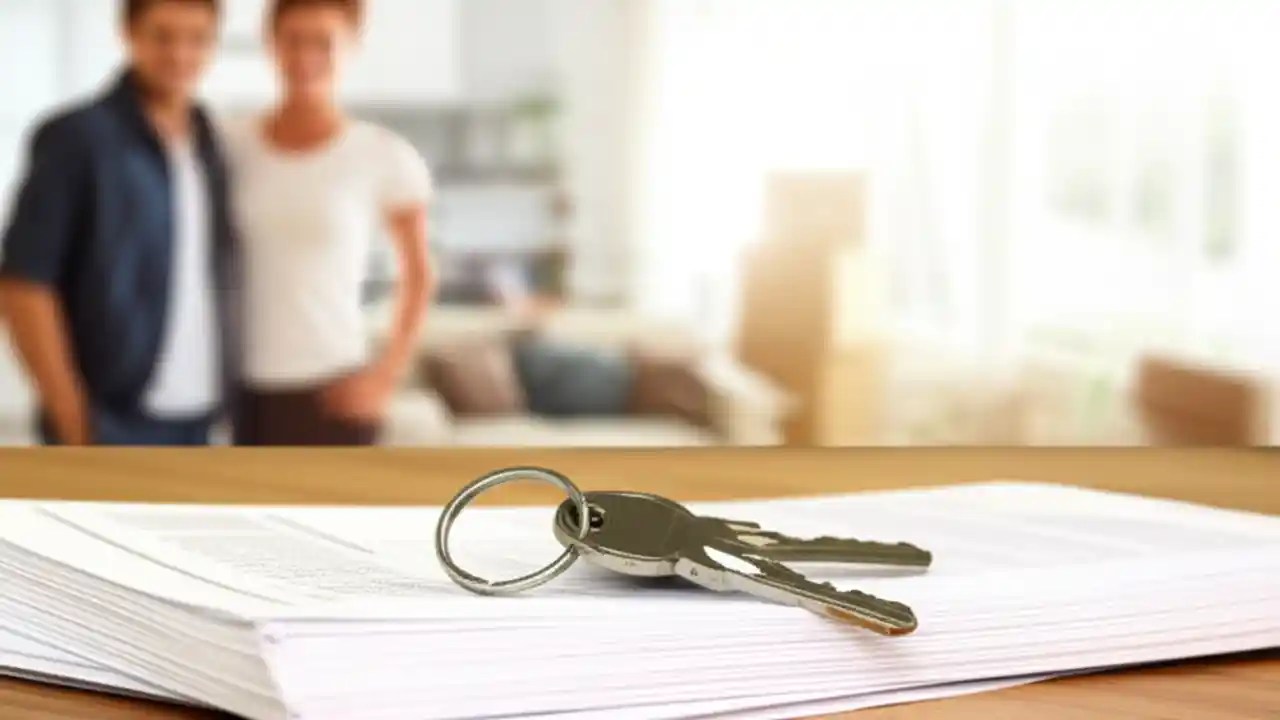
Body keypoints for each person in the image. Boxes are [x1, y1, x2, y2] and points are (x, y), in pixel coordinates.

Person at [0, 0, 231, 446]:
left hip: (200, 418)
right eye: (162, 36)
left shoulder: (210, 141)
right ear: (128, 35)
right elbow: (23, 283)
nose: (180, 54)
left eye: (197, 39)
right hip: (109, 420)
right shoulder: (77, 137)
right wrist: (71, 415)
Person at [223, 0, 433, 445]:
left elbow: (419, 275)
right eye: (292, 41)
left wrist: (385, 377)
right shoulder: (230, 145)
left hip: (335, 389)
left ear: (352, 47)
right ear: (271, 44)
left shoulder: (382, 154)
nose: (305, 57)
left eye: (323, 42)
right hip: (242, 390)